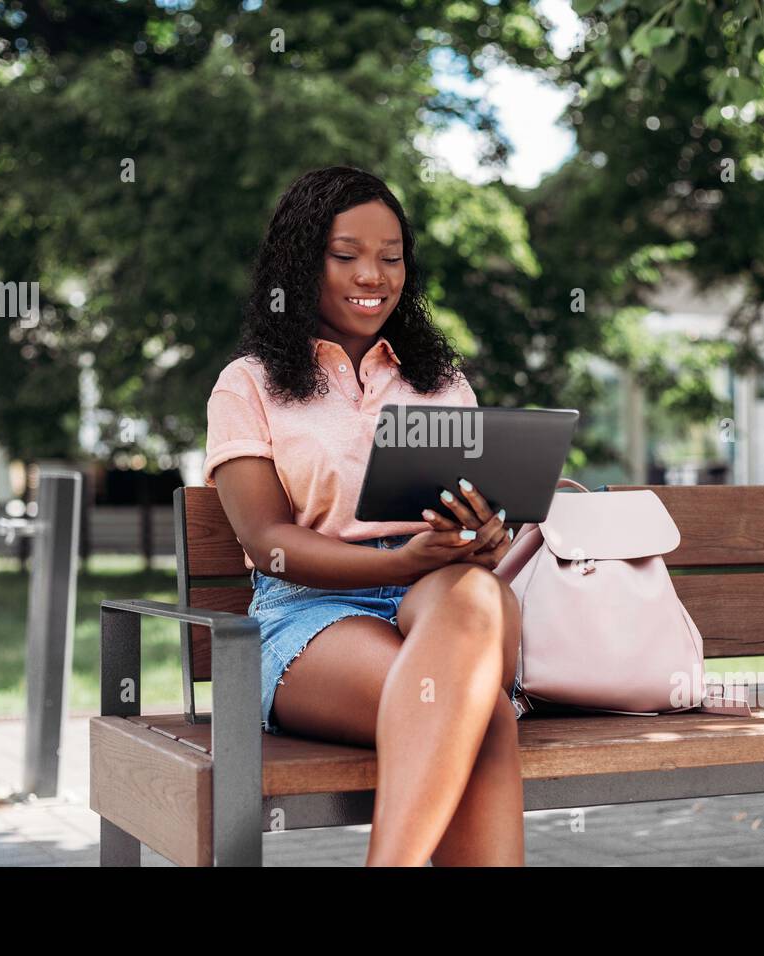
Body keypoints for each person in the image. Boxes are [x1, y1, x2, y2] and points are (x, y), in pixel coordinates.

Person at [205, 166, 524, 867]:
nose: (372, 274)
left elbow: (469, 531)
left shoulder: (440, 382)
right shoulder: (249, 383)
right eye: (346, 255)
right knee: (483, 715)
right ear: (301, 261)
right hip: (311, 614)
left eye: (391, 256)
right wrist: (399, 562)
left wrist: (482, 537)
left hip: (442, 597)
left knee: (475, 591)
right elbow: (267, 541)